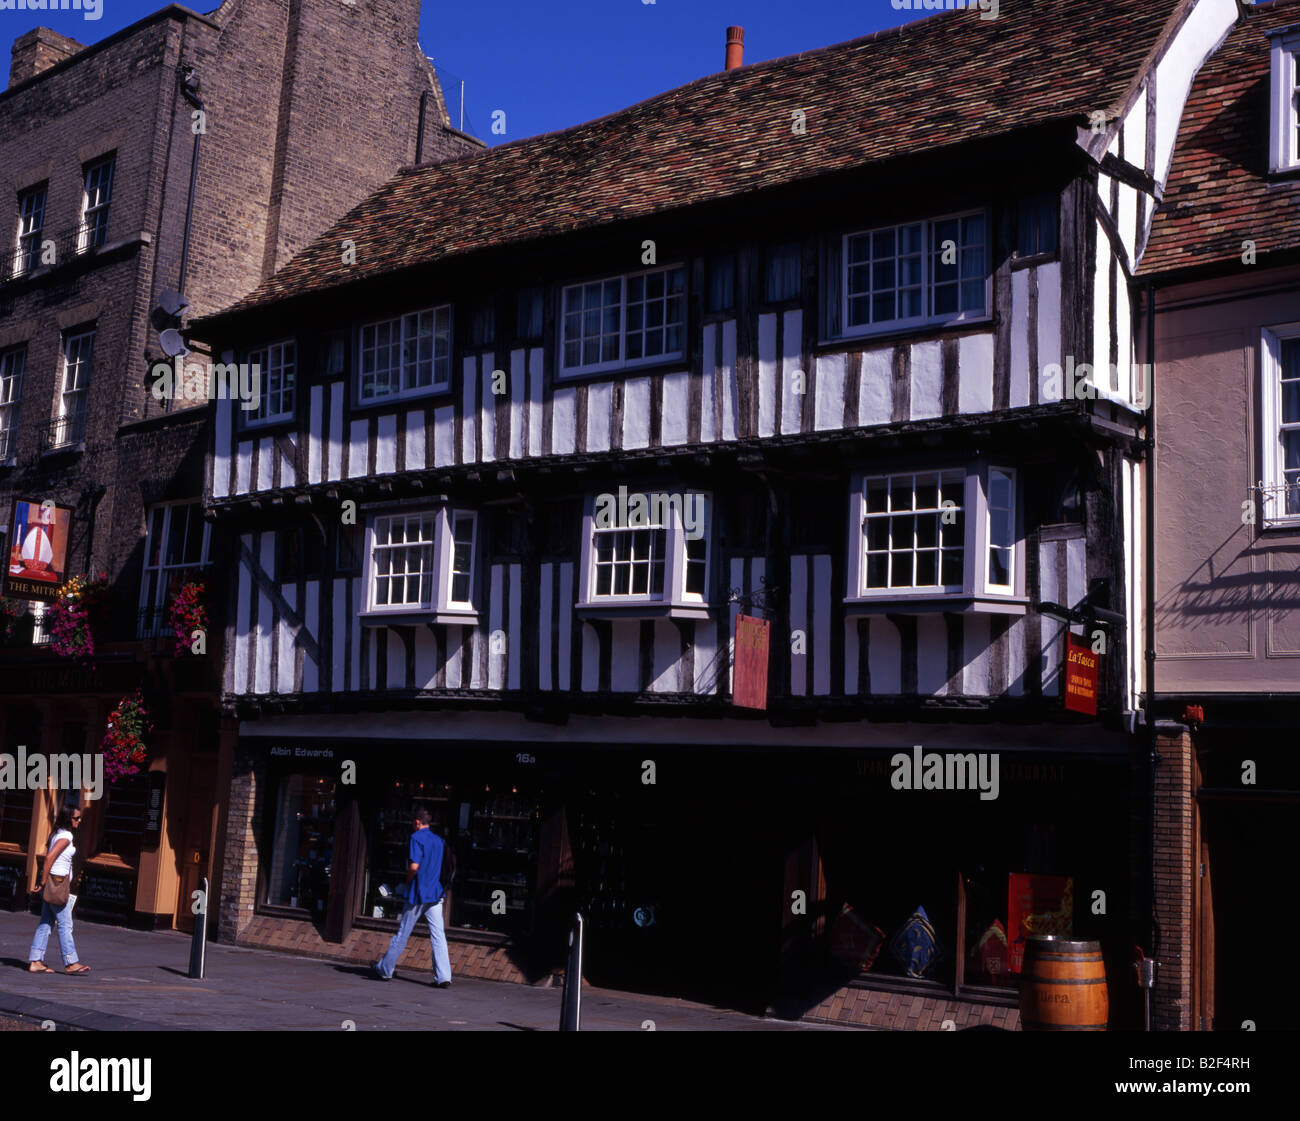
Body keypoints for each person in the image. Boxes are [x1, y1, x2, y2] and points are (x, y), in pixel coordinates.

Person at [372, 808, 452, 987]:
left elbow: (414, 867)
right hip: (435, 893)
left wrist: (407, 883)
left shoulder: (416, 838)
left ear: (417, 822)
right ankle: (444, 976)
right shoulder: (439, 841)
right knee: (438, 935)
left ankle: (385, 970)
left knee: (403, 933)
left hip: (417, 893)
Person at [29, 807, 89, 975]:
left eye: (79, 818)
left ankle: (35, 961)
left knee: (45, 923)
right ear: (68, 819)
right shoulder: (66, 836)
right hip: (57, 885)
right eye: (76, 818)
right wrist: (42, 881)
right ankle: (70, 962)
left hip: (53, 884)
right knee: (65, 924)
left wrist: (43, 882)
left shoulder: (57, 834)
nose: (79, 821)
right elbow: (49, 857)